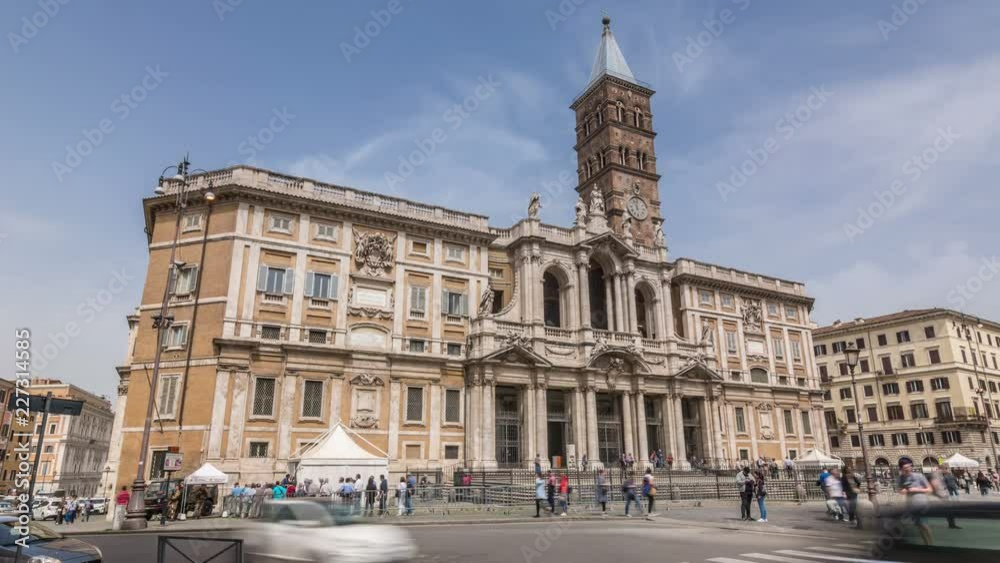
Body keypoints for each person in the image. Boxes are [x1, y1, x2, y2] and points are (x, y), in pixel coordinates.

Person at [897, 457, 933, 545]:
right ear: (901, 469)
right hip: (911, 505)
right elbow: (900, 489)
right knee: (919, 526)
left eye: (909, 467)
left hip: (922, 504)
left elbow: (930, 489)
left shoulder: (919, 476)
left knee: (924, 525)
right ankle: (926, 543)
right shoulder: (901, 478)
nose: (908, 469)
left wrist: (916, 489)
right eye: (905, 468)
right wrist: (902, 491)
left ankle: (930, 544)